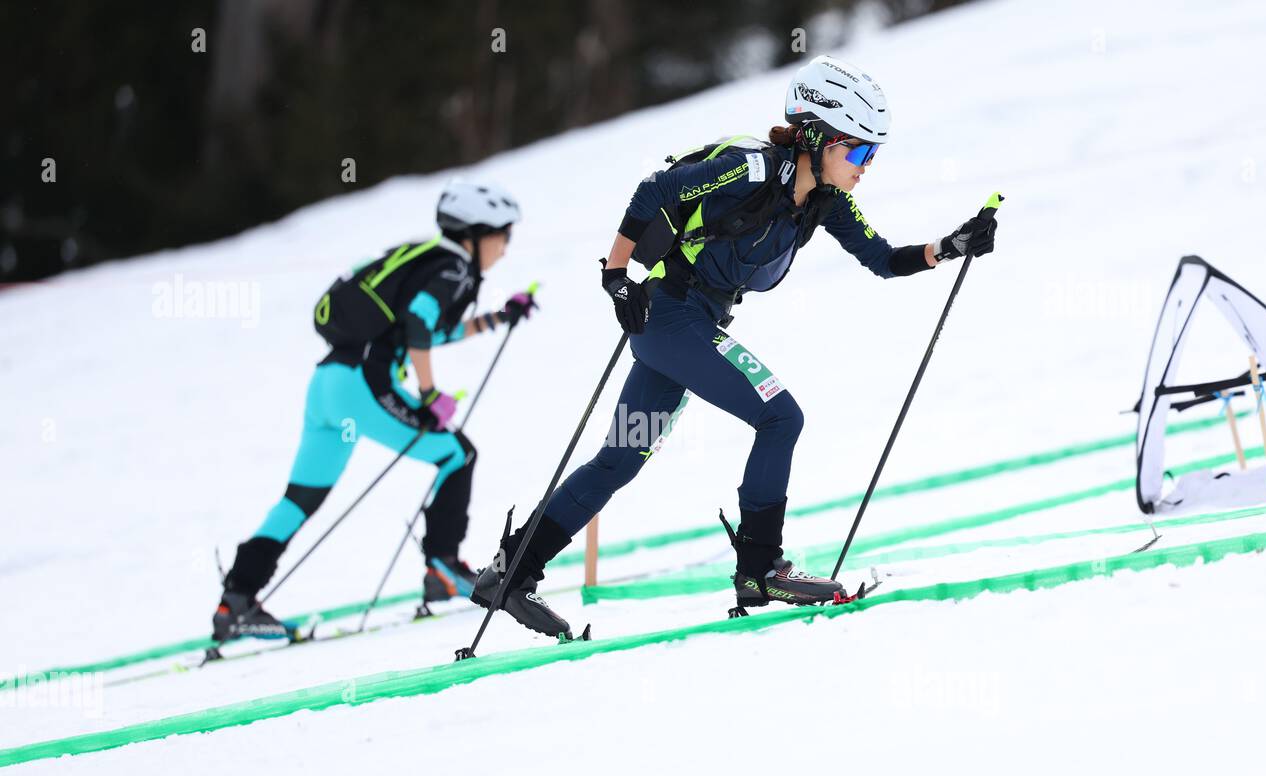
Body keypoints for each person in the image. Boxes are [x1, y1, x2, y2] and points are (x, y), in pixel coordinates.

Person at [473, 54, 998, 637]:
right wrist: (617, 276)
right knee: (780, 417)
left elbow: (882, 259)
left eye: (872, 154)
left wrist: (951, 246)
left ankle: (511, 572)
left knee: (618, 461)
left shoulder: (825, 202)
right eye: (857, 151)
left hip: (685, 334)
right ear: (818, 138)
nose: (865, 166)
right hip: (668, 319)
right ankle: (762, 568)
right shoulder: (749, 168)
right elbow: (656, 191)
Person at [213, 180, 539, 642]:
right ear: (475, 234)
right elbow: (420, 325)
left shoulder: (425, 258)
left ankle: (236, 602)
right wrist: (428, 395)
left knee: (299, 499)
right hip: (362, 386)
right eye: (501, 236)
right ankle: (444, 567)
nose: (505, 248)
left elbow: (428, 332)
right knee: (456, 455)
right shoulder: (454, 267)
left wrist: (497, 318)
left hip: (329, 384)